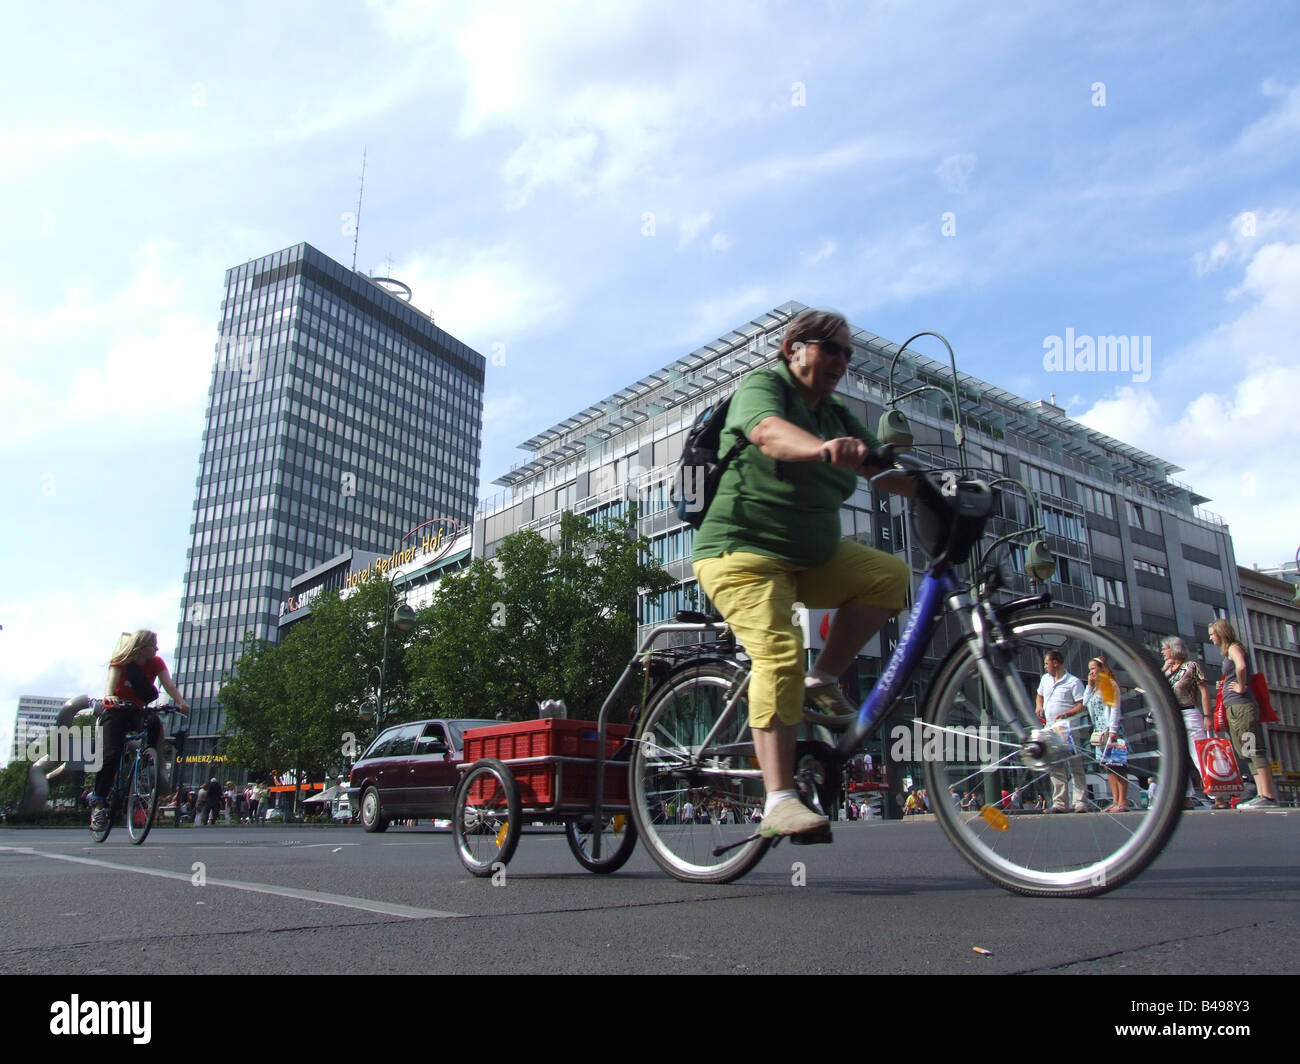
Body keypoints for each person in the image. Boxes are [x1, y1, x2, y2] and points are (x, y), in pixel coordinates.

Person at [690, 308, 912, 838]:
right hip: (739, 555)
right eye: (829, 348)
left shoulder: (835, 414)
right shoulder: (763, 387)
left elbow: (881, 469)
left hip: (810, 559)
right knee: (779, 651)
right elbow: (768, 434)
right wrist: (820, 450)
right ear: (793, 348)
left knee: (891, 576)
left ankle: (825, 679)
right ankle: (779, 800)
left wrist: (940, 489)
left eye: (847, 353)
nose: (840, 360)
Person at [89, 630, 190, 832]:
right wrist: (109, 696)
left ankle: (146, 759)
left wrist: (180, 702)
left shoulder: (157, 663)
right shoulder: (121, 660)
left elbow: (167, 684)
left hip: (137, 710)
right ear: (142, 646)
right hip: (115, 711)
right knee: (111, 755)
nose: (157, 648)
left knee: (153, 722)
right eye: (154, 644)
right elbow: (111, 682)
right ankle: (98, 805)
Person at [1208, 619, 1277, 809]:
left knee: (1252, 748)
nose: (1211, 638)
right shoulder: (1229, 650)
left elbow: (1241, 666)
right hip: (1235, 706)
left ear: (1221, 633)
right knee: (1247, 751)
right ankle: (1262, 793)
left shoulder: (1234, 648)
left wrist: (1241, 685)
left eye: (1212, 634)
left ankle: (1268, 795)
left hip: (1241, 705)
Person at [1160, 636, 1212, 808]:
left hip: (1189, 713)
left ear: (1174, 649)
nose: (1162, 652)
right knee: (1176, 757)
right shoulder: (1167, 671)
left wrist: (1207, 715)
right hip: (1172, 716)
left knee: (1199, 754)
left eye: (1165, 648)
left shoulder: (1191, 666)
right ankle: (1185, 796)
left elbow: (1204, 691)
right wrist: (1163, 670)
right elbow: (1155, 689)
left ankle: (1216, 793)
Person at [1036, 650, 1088, 812]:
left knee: (1075, 766)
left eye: (1046, 663)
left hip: (1069, 729)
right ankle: (1060, 803)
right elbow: (1039, 695)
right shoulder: (1045, 679)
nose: (1045, 667)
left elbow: (1081, 705)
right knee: (1055, 766)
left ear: (1055, 663)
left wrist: (1067, 713)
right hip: (1050, 728)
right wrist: (1038, 706)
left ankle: (1080, 802)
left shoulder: (1073, 682)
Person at [1084, 656, 1128, 812]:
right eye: (1090, 669)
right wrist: (1089, 686)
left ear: (1102, 668)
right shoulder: (1096, 688)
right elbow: (1085, 704)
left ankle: (1123, 801)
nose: (1091, 672)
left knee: (1118, 766)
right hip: (1100, 732)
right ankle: (1115, 801)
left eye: (1094, 668)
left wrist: (1113, 730)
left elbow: (1114, 707)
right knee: (1108, 767)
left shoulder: (1110, 684)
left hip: (1111, 730)